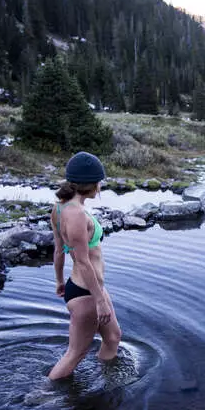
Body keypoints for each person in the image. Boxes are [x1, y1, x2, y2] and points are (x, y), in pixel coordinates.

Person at [48, 152, 122, 380]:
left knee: (113, 338)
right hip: (87, 292)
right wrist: (99, 301)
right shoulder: (77, 214)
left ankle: (107, 379)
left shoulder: (59, 208)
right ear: (94, 184)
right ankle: (41, 395)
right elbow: (82, 260)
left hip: (85, 287)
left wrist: (60, 280)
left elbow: (59, 250)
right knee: (76, 353)